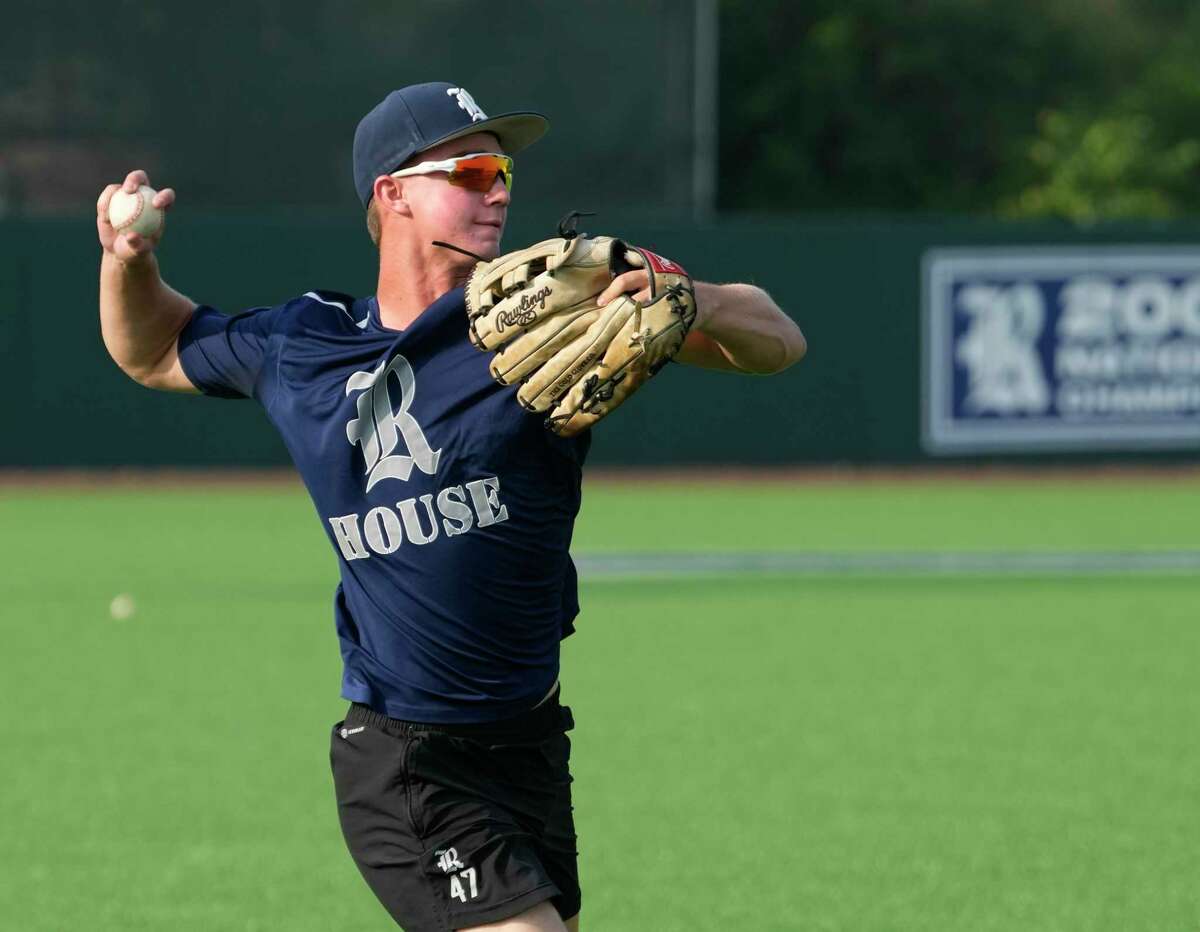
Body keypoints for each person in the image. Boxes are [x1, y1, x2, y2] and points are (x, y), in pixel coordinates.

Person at [97, 81, 807, 932]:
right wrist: (128, 262)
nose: (499, 190)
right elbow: (153, 349)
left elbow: (778, 342)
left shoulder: (552, 314)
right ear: (391, 193)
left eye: (502, 171)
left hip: (532, 742)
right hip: (407, 759)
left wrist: (690, 294)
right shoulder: (304, 343)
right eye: (470, 171)